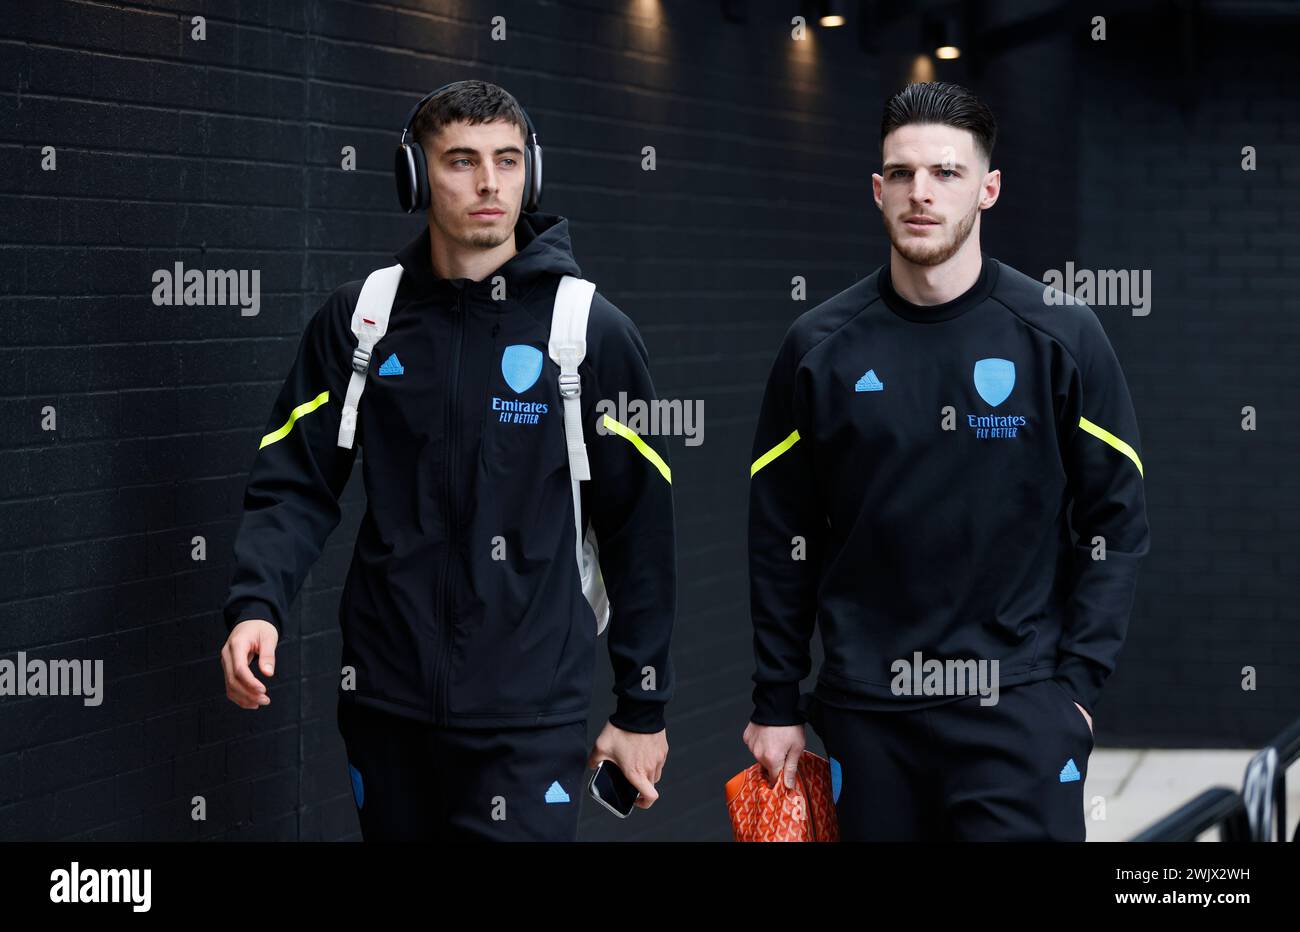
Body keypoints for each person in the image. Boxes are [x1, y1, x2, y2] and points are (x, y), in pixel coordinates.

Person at [218, 80, 676, 841]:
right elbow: (296, 481)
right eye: (461, 161)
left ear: (532, 169)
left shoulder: (589, 332)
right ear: (414, 176)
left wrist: (642, 709)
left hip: (529, 722)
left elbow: (641, 534)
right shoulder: (362, 321)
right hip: (384, 708)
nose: (490, 183)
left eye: (506, 159)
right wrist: (257, 604)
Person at [742, 81, 1150, 841]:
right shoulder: (818, 348)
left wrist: (1076, 692)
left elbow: (1117, 521)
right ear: (877, 189)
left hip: (1019, 712)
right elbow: (780, 535)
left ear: (988, 188)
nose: (920, 193)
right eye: (901, 174)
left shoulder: (1061, 335)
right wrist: (776, 702)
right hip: (867, 718)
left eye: (946, 173)